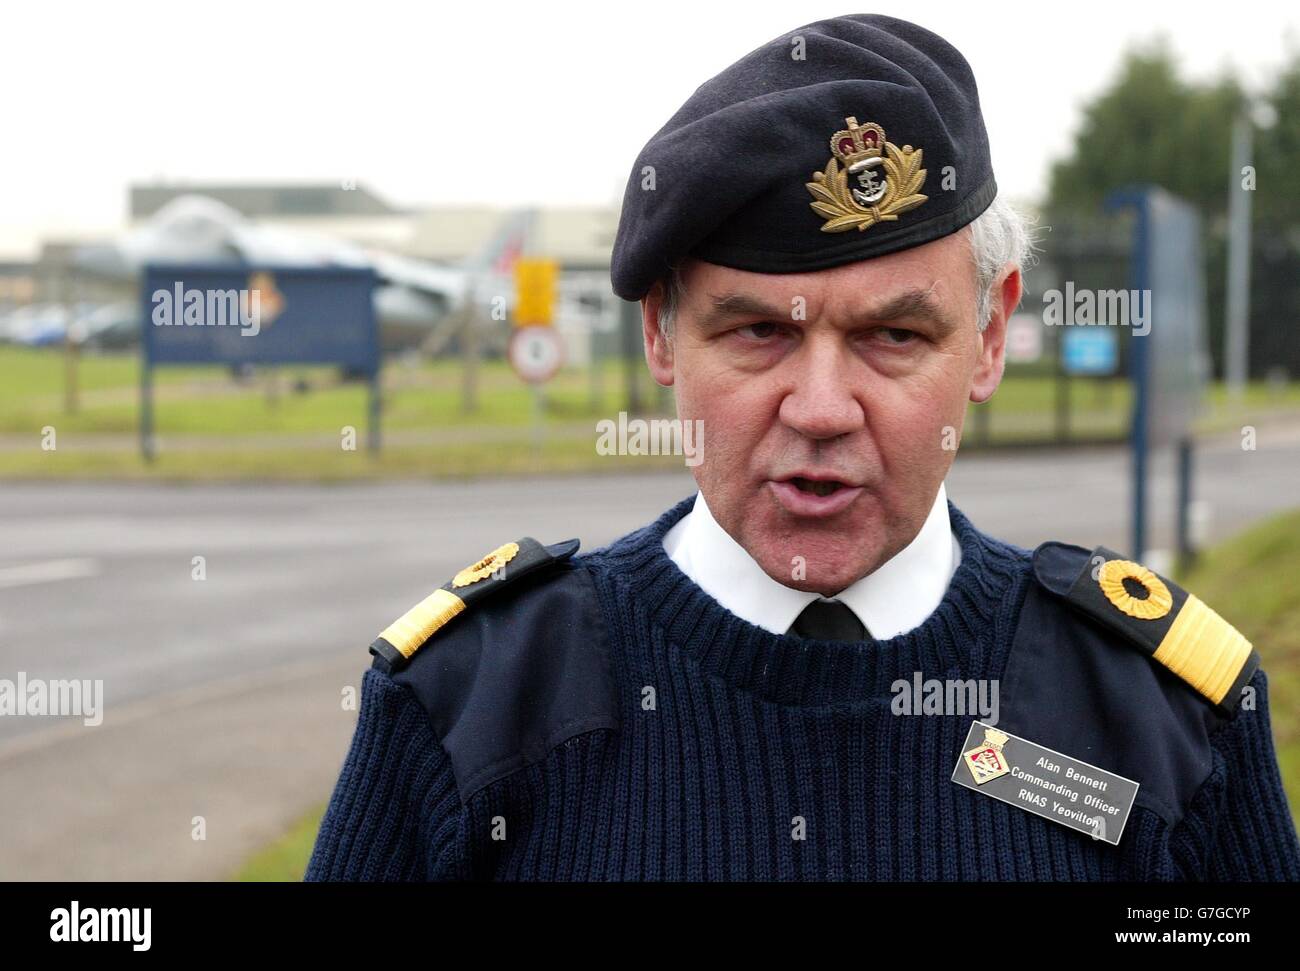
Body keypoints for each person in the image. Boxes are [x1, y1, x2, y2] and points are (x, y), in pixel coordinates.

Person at [305, 13, 1300, 881]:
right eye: (758, 333)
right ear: (658, 333)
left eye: (893, 336)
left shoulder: (1166, 724)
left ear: (989, 336)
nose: (822, 408)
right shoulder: (464, 710)